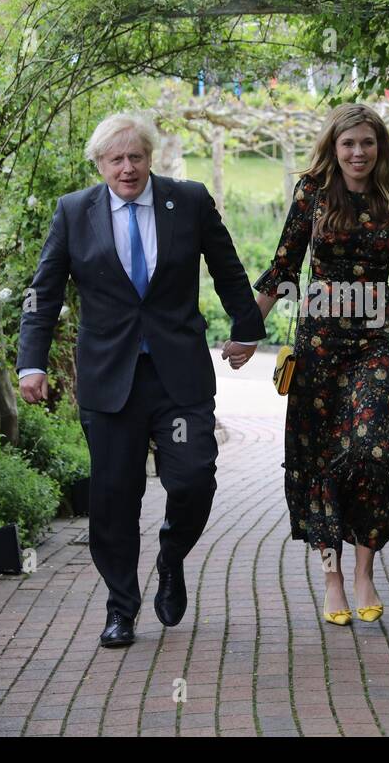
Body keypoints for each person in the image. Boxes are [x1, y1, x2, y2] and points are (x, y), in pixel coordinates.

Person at [16, 113, 265, 648]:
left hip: (176, 379)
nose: (127, 168)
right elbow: (44, 292)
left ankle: (171, 557)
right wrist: (31, 362)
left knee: (194, 477)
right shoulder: (75, 212)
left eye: (136, 156)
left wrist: (247, 327)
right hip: (111, 383)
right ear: (100, 164)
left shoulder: (189, 201)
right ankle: (121, 607)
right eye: (116, 159)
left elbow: (227, 268)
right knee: (113, 497)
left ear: (151, 157)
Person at [252, 103, 389, 626]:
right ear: (333, 149)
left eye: (367, 143)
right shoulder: (311, 197)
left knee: (365, 451)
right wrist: (249, 333)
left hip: (373, 343)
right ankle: (333, 578)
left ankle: (365, 572)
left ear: (379, 147)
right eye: (348, 144)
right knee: (319, 456)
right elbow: (284, 265)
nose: (358, 153)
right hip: (318, 343)